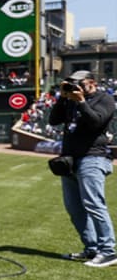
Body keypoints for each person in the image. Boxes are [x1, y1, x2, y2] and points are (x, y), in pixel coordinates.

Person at [49, 69, 117, 267]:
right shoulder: (69, 100)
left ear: (92, 82)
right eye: (72, 84)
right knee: (75, 208)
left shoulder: (105, 99)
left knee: (94, 205)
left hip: (93, 157)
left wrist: (80, 101)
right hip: (70, 160)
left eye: (80, 83)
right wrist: (62, 98)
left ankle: (108, 251)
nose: (76, 87)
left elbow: (96, 122)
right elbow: (53, 120)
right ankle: (92, 249)